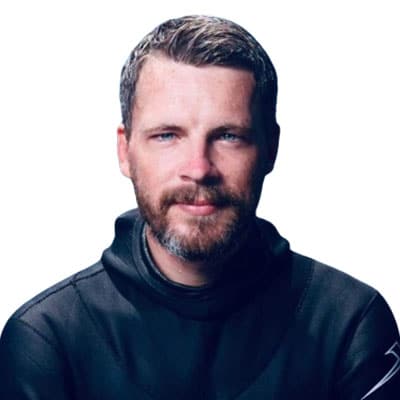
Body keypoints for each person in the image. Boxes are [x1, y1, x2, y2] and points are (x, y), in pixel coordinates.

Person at [0, 15, 399, 400]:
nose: (199, 169)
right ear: (125, 151)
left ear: (271, 148)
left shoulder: (349, 324)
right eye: (167, 135)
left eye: (228, 136)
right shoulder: (47, 341)